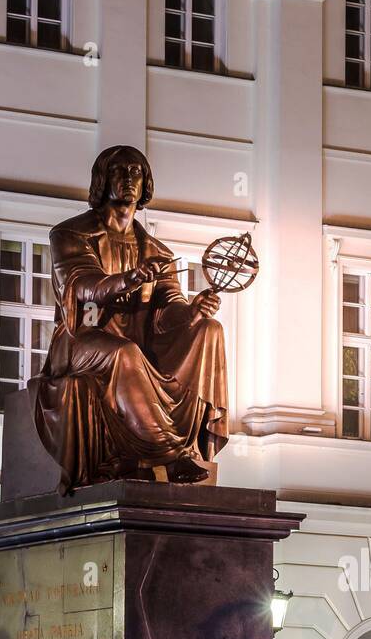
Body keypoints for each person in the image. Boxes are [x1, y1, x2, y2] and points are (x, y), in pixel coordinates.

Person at [30, 145, 228, 493]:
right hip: (82, 340)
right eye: (119, 171)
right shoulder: (70, 235)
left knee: (210, 329)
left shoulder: (157, 251)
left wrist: (193, 311)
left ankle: (191, 445)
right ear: (102, 180)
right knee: (124, 353)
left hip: (139, 344)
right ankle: (169, 453)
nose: (128, 179)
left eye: (135, 172)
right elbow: (81, 285)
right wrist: (130, 279)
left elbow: (168, 311)